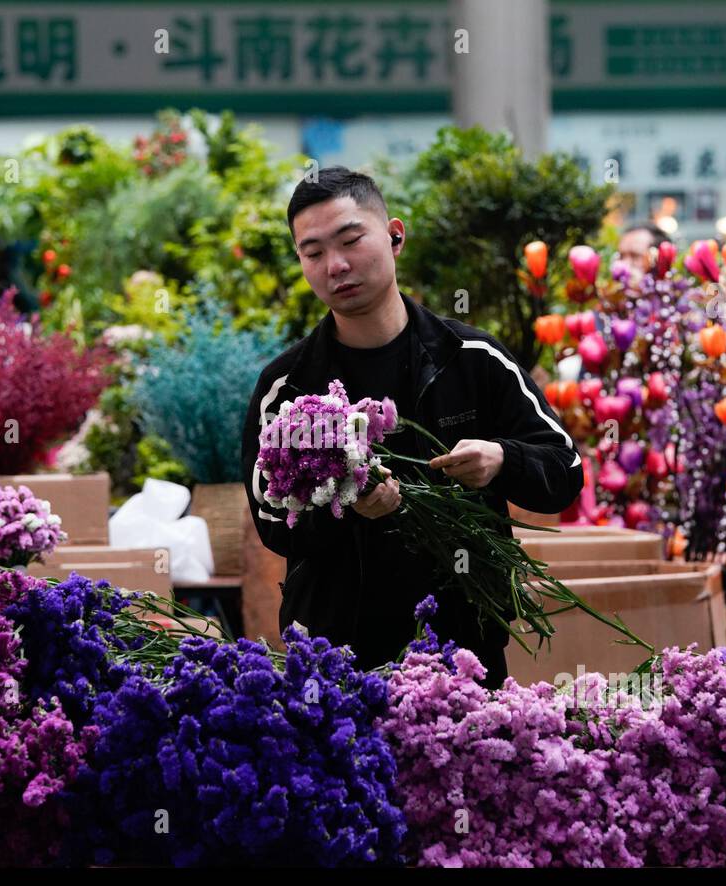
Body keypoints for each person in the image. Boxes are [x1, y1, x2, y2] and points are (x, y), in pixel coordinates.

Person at [241, 167, 584, 687]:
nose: (336, 265)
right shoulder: (287, 387)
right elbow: (271, 518)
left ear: (395, 236)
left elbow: (565, 470)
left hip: (464, 651)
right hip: (339, 658)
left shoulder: (473, 360)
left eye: (352, 240)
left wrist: (501, 460)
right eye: (313, 253)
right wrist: (347, 506)